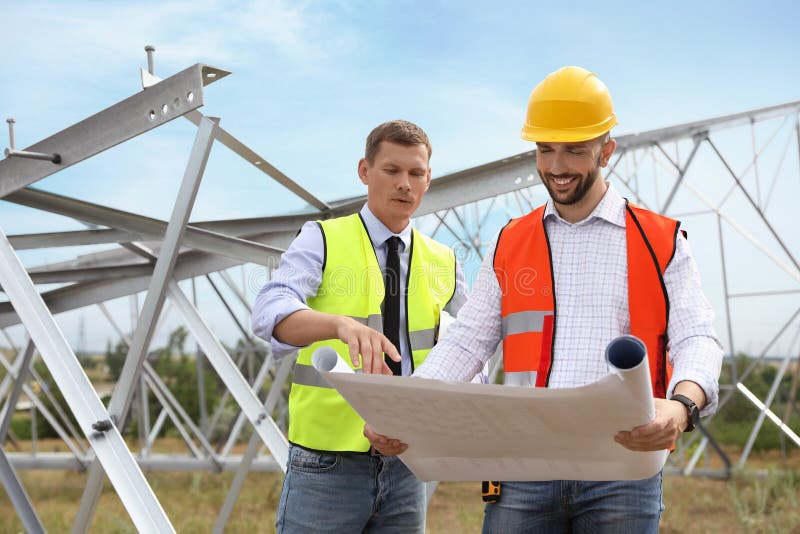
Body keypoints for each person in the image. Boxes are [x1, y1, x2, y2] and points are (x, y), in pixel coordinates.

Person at [365, 67, 723, 532]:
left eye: (574, 150)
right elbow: (468, 342)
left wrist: (682, 406)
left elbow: (697, 336)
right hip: (521, 467)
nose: (556, 167)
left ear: (606, 150)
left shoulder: (662, 240)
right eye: (545, 149)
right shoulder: (512, 240)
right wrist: (407, 411)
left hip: (623, 468)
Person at [252, 119, 468, 533]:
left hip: (406, 464)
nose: (404, 184)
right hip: (327, 464)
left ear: (427, 179)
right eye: (392, 170)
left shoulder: (445, 260)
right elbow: (269, 310)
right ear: (365, 171)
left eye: (415, 173)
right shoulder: (323, 239)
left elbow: (475, 342)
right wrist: (337, 324)